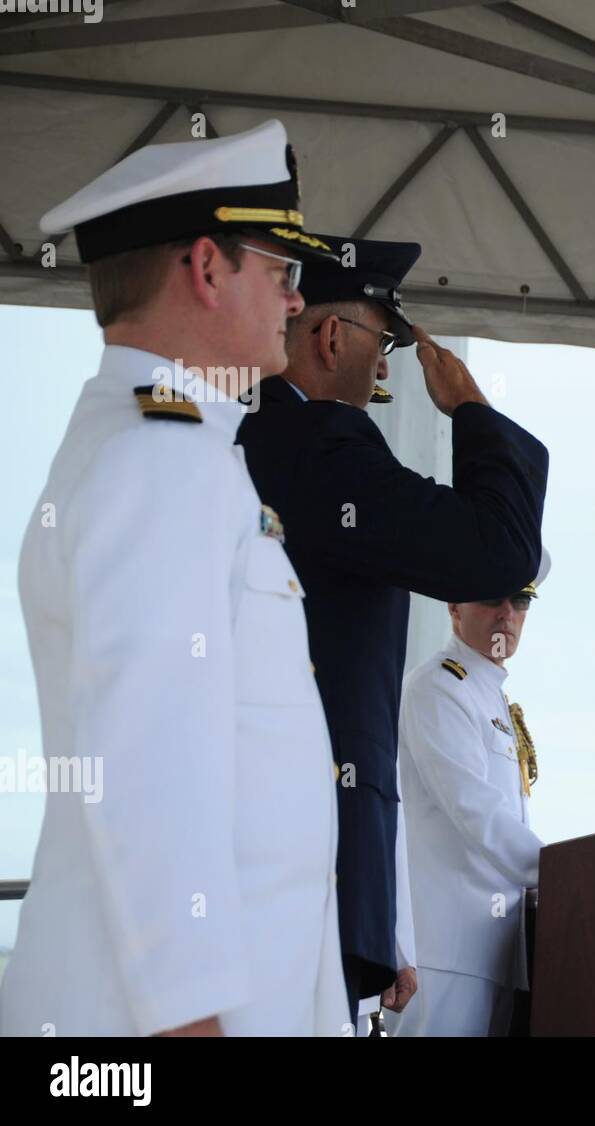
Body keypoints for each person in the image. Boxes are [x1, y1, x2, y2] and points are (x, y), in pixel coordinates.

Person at [0, 120, 348, 1036]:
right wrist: (189, 1021)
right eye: (281, 271)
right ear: (206, 267)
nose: (296, 300)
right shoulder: (159, 461)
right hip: (159, 1025)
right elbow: (147, 761)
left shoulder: (172, 448)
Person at [236, 235, 548, 1023]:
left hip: (286, 848)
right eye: (384, 343)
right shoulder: (320, 445)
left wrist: (388, 921)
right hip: (298, 858)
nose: (386, 368)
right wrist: (472, 409)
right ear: (332, 336)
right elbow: (493, 550)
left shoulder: (255, 439)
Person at [391, 553, 551, 1036]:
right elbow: (476, 811)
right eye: (491, 598)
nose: (507, 612)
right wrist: (560, 870)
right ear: (454, 605)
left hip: (498, 949)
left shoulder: (491, 693)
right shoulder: (439, 687)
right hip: (450, 951)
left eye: (520, 599)